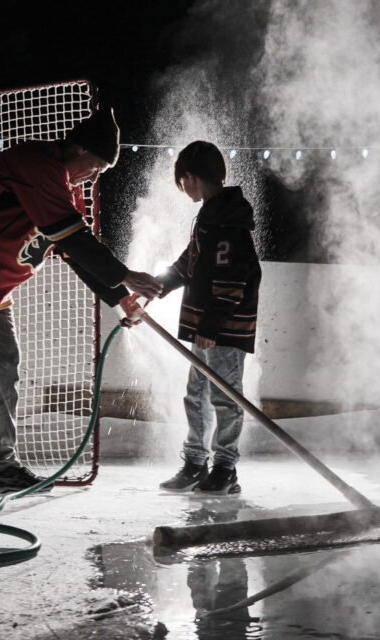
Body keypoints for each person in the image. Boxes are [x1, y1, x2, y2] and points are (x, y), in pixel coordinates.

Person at [0, 106, 162, 506]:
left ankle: (0, 467)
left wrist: (120, 298)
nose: (93, 177)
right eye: (93, 167)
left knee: (5, 363)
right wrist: (125, 274)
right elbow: (72, 236)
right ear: (76, 149)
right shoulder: (34, 163)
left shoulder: (69, 188)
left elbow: (75, 252)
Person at [156, 140, 262, 496]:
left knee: (224, 397)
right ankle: (195, 462)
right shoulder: (210, 215)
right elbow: (191, 261)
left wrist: (210, 326)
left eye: (181, 181)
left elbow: (233, 280)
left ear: (190, 177)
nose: (182, 188)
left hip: (222, 331)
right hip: (207, 329)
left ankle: (225, 469)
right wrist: (159, 285)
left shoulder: (228, 219)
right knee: (197, 393)